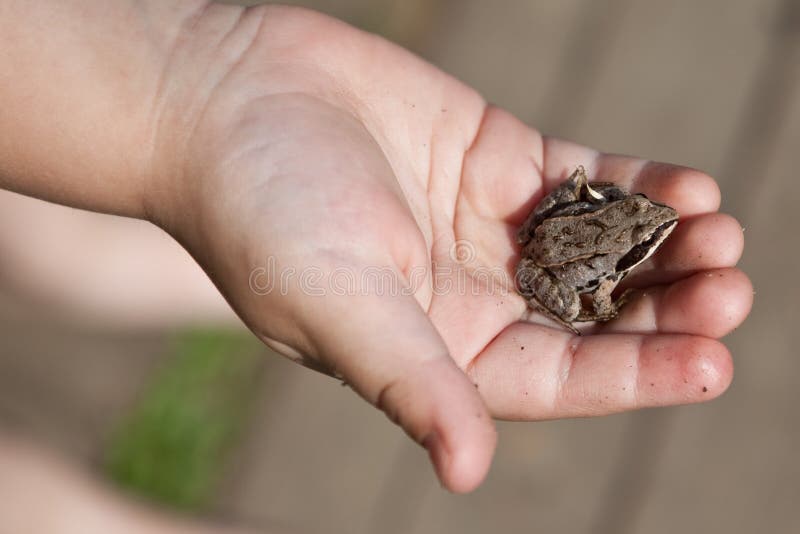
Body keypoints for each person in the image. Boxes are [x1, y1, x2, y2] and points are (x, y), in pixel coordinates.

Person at [0, 1, 752, 531]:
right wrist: (597, 304)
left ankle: (225, 272)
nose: (656, 236)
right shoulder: (621, 243)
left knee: (43, 239)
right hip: (561, 257)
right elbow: (581, 250)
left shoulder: (616, 214)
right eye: (648, 241)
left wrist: (203, 85)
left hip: (567, 232)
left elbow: (588, 197)